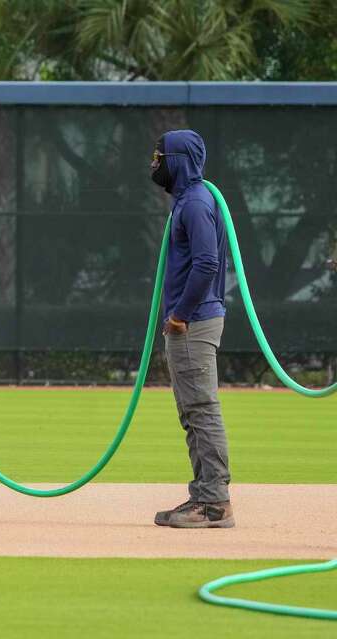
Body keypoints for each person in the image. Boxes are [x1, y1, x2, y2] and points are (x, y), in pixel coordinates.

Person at [149, 129, 235, 529]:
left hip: (194, 322)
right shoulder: (188, 201)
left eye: (160, 156)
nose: (155, 163)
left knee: (201, 409)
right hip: (191, 320)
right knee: (192, 411)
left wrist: (180, 314)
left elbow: (207, 263)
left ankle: (214, 502)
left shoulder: (196, 203)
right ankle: (203, 495)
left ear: (178, 160)